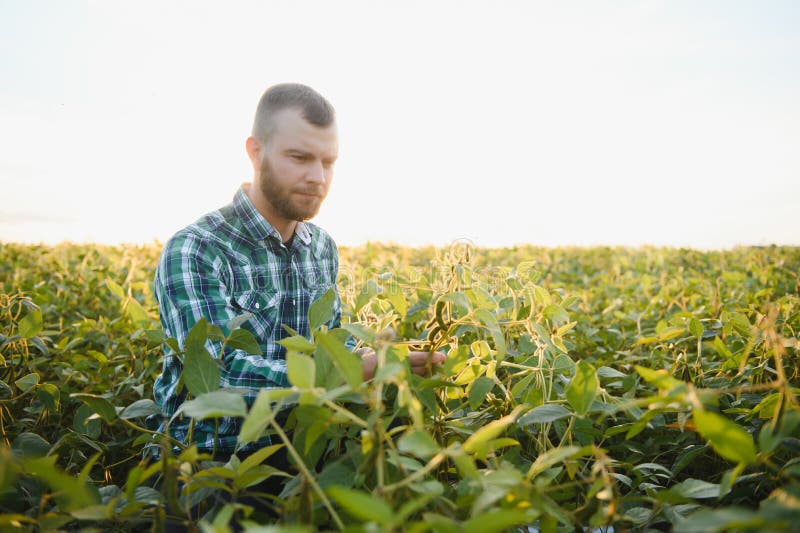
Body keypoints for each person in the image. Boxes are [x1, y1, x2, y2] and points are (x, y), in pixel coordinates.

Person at [151, 83, 445, 465]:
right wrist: (355, 369)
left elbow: (327, 345)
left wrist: (387, 358)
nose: (318, 178)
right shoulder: (196, 249)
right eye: (300, 157)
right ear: (255, 153)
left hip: (306, 447)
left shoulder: (321, 247)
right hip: (208, 461)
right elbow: (217, 379)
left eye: (328, 161)